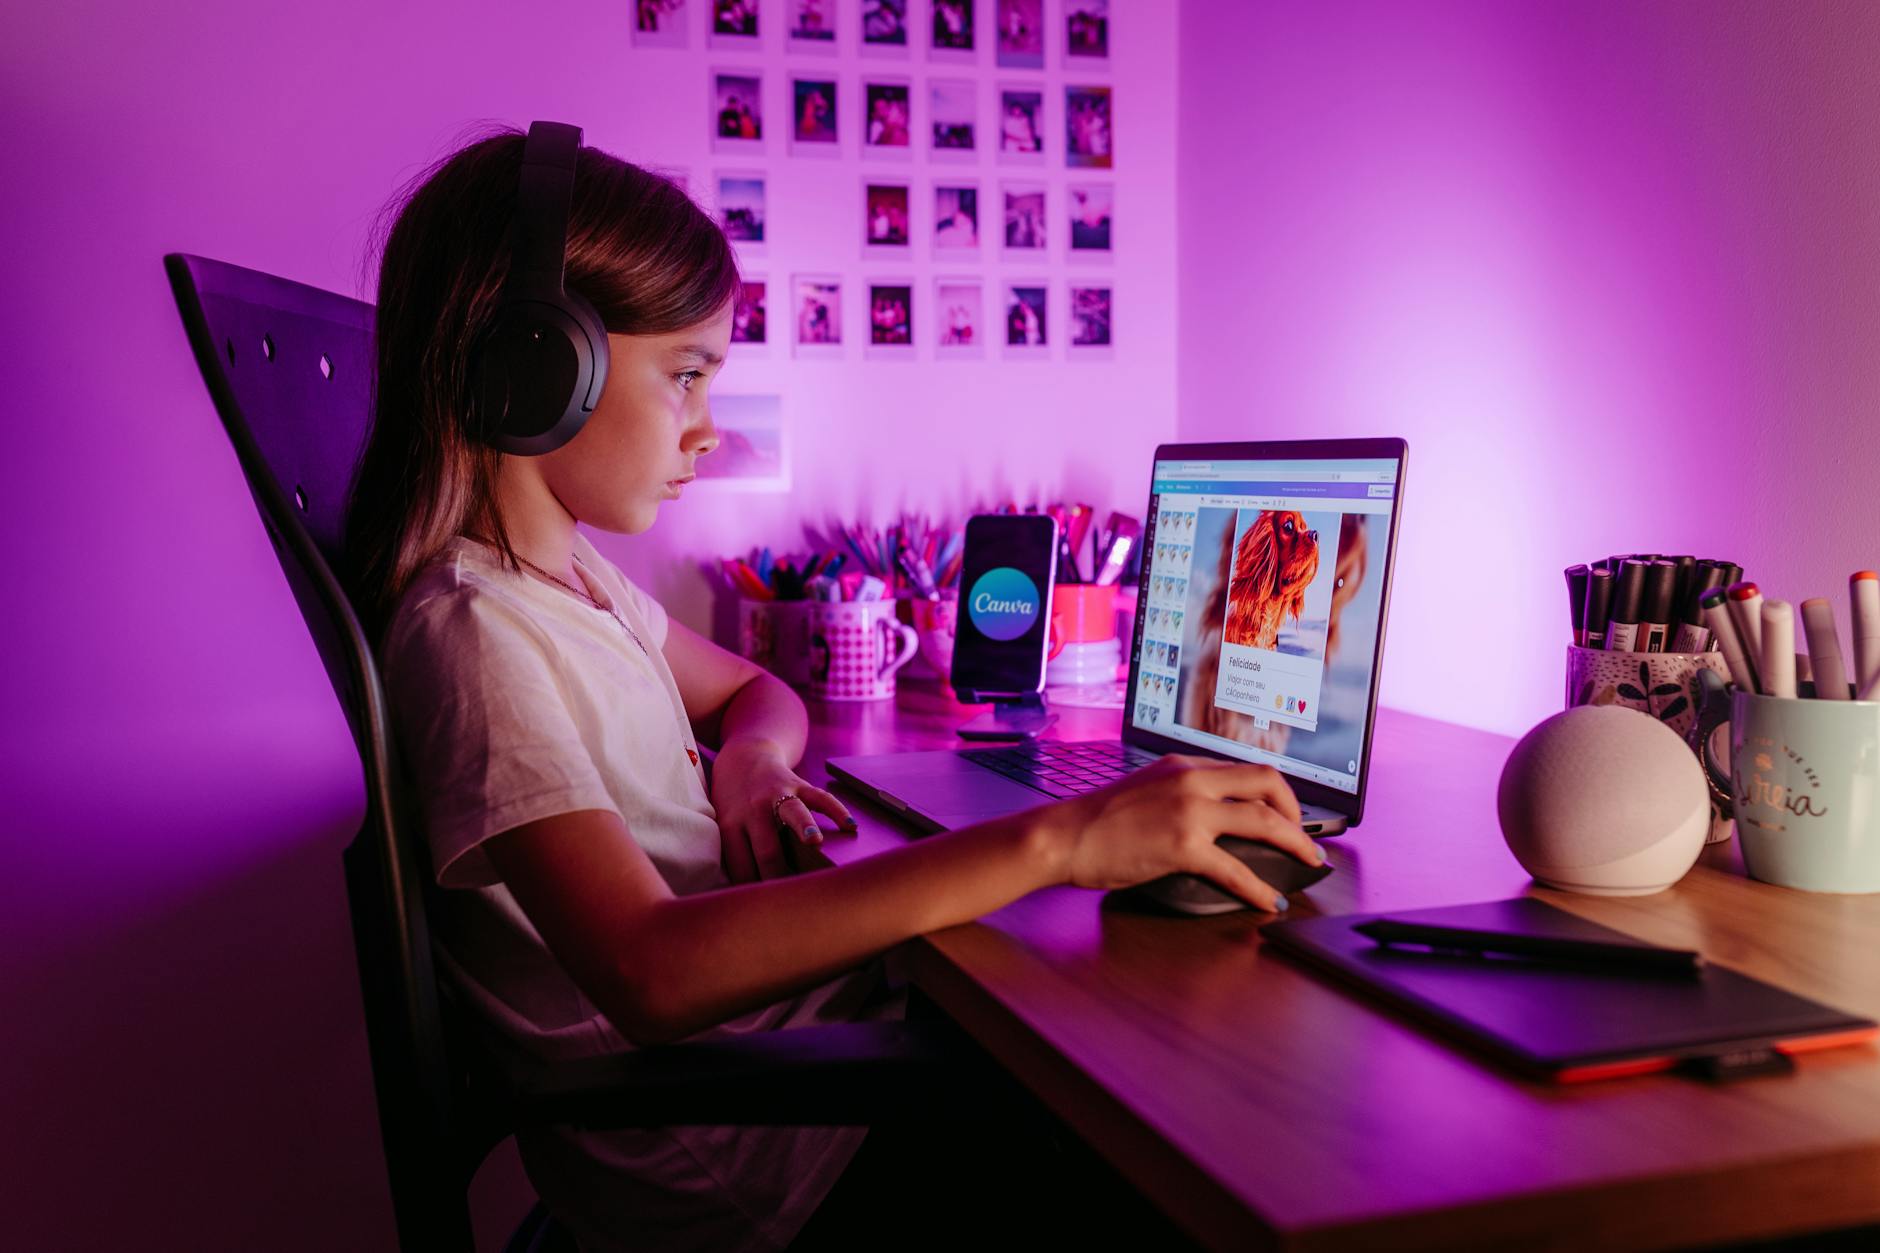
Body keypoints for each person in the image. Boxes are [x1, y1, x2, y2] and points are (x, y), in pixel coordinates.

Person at [344, 126, 1316, 1253]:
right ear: (536, 368)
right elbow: (650, 972)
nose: (710, 428)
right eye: (688, 375)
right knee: (1191, 1128)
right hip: (761, 1159)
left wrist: (750, 767)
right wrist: (1061, 839)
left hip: (798, 1077)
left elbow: (756, 689)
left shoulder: (565, 583)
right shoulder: (476, 632)